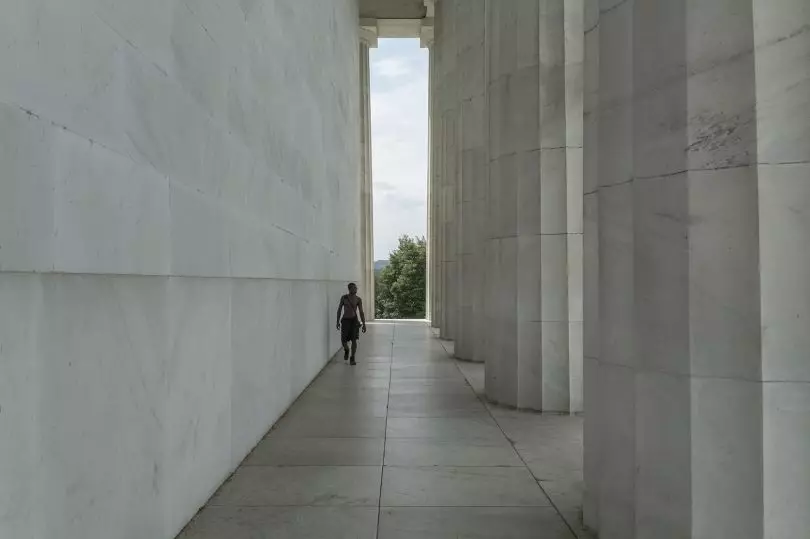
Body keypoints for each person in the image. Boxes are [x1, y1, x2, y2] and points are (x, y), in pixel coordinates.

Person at [336, 282, 366, 365]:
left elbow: (361, 312)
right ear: (350, 289)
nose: (356, 289)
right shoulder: (344, 298)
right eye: (354, 288)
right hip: (345, 320)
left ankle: (352, 357)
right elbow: (339, 310)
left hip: (354, 321)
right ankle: (347, 349)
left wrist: (364, 324)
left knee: (354, 340)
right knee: (343, 340)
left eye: (356, 288)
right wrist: (337, 321)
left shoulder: (358, 299)